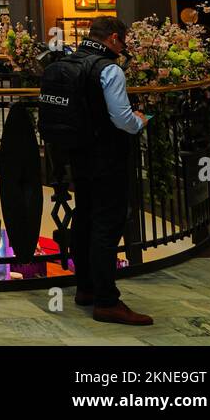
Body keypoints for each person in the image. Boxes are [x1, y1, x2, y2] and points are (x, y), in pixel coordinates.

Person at [46, 16, 154, 326]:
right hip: (107, 156)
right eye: (124, 40)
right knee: (107, 224)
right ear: (115, 39)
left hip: (77, 154)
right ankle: (107, 301)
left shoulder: (68, 63)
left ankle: (86, 288)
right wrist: (141, 121)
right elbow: (122, 118)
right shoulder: (108, 68)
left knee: (84, 218)